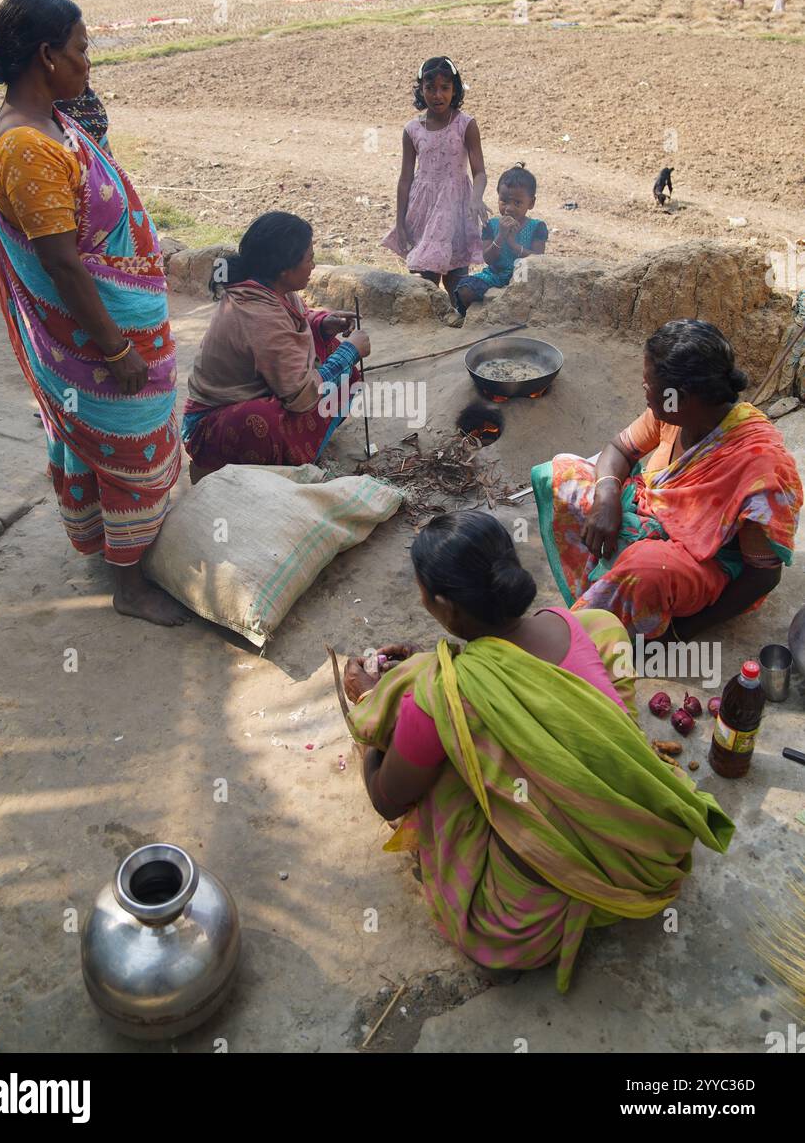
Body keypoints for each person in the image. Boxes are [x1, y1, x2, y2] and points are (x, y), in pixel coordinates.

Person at [343, 511, 733, 991]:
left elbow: (388, 798)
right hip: (644, 856)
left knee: (445, 741)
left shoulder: (443, 693)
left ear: (441, 603)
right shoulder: (568, 624)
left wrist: (371, 710)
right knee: (598, 630)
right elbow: (511, 667)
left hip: (521, 922)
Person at [0, 0, 186, 626]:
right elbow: (63, 264)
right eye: (80, 49)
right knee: (128, 439)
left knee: (107, 437)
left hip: (111, 321)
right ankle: (129, 585)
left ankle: (111, 542)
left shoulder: (49, 125)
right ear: (46, 56)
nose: (88, 62)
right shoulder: (27, 147)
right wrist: (116, 348)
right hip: (95, 338)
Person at [532, 320, 803, 640]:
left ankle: (626, 618)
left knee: (647, 570)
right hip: (646, 514)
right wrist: (606, 500)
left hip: (700, 561)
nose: (643, 389)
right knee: (555, 474)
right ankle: (602, 588)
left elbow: (762, 576)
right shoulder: (672, 413)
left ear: (680, 397)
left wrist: (679, 634)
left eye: (649, 384)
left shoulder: (763, 469)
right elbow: (619, 448)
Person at [182, 211, 368, 479]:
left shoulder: (271, 289)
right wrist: (351, 351)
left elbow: (299, 321)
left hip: (253, 389)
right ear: (285, 269)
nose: (313, 266)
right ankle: (285, 462)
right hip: (211, 426)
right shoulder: (258, 313)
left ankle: (301, 447)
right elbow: (299, 396)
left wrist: (323, 323)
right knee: (265, 419)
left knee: (328, 349)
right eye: (309, 259)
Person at [381, 56, 487, 305]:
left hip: (456, 208)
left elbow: (479, 171)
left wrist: (476, 198)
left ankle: (458, 325)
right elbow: (405, 178)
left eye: (445, 88)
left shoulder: (465, 124)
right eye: (430, 88)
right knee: (423, 281)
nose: (437, 95)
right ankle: (427, 334)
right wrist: (400, 222)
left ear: (455, 89)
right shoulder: (412, 129)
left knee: (457, 281)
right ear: (421, 90)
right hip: (424, 209)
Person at [451, 165, 547, 323]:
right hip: (495, 275)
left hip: (523, 276)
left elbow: (538, 260)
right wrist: (501, 237)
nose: (509, 208)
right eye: (504, 201)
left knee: (524, 297)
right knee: (465, 289)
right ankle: (470, 317)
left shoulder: (537, 227)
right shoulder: (491, 225)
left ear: (531, 203)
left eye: (517, 203)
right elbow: (488, 259)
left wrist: (513, 245)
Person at [55, 85, 113, 155]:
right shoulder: (51, 104)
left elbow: (99, 133)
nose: (87, 74)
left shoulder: (87, 95)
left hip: (97, 157)